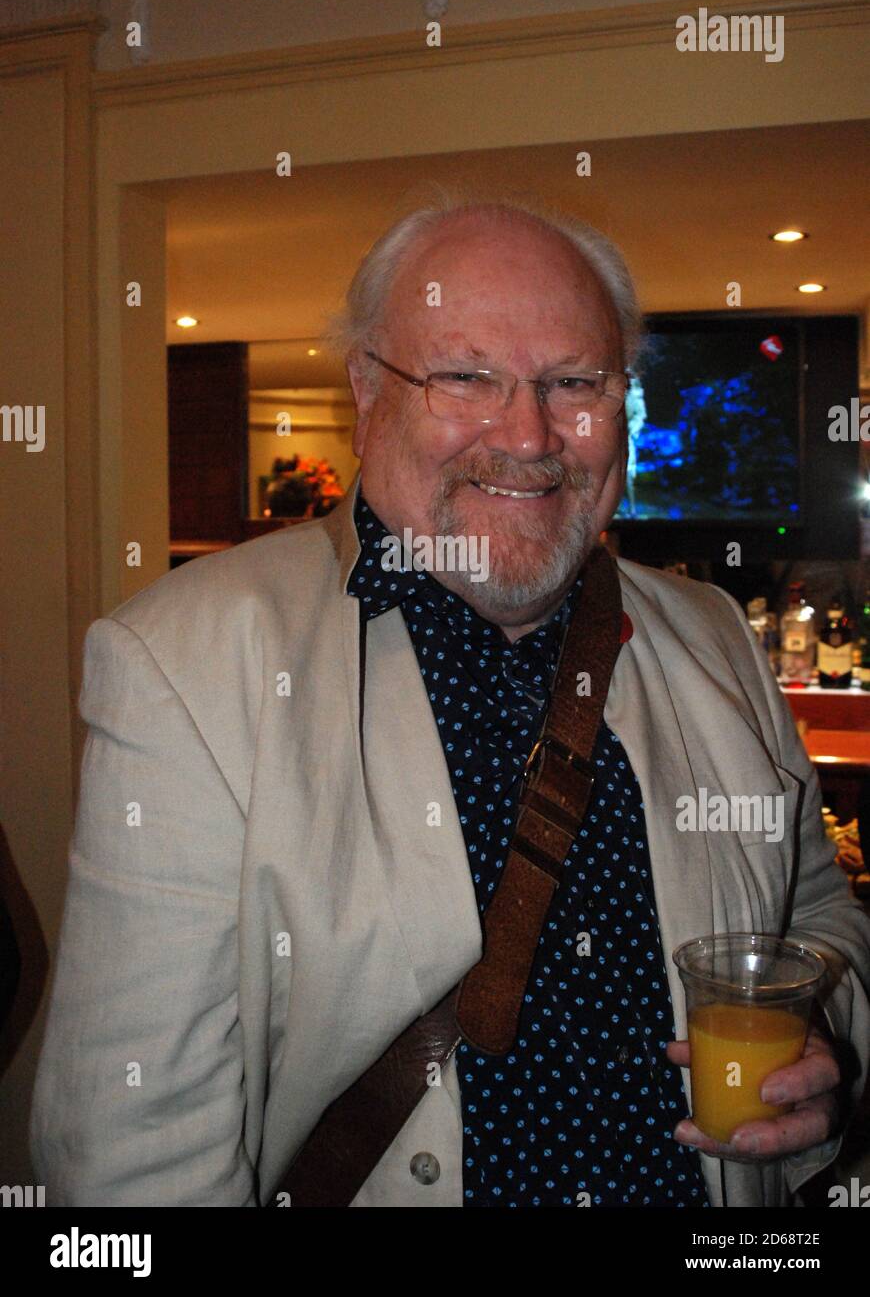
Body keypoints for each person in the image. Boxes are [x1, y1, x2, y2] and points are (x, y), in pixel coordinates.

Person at [31, 195, 870, 1207]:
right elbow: (129, 1153)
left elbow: (817, 911)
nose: (528, 434)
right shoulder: (187, 664)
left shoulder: (714, 635)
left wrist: (826, 1030)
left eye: (575, 383)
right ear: (365, 393)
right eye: (466, 377)